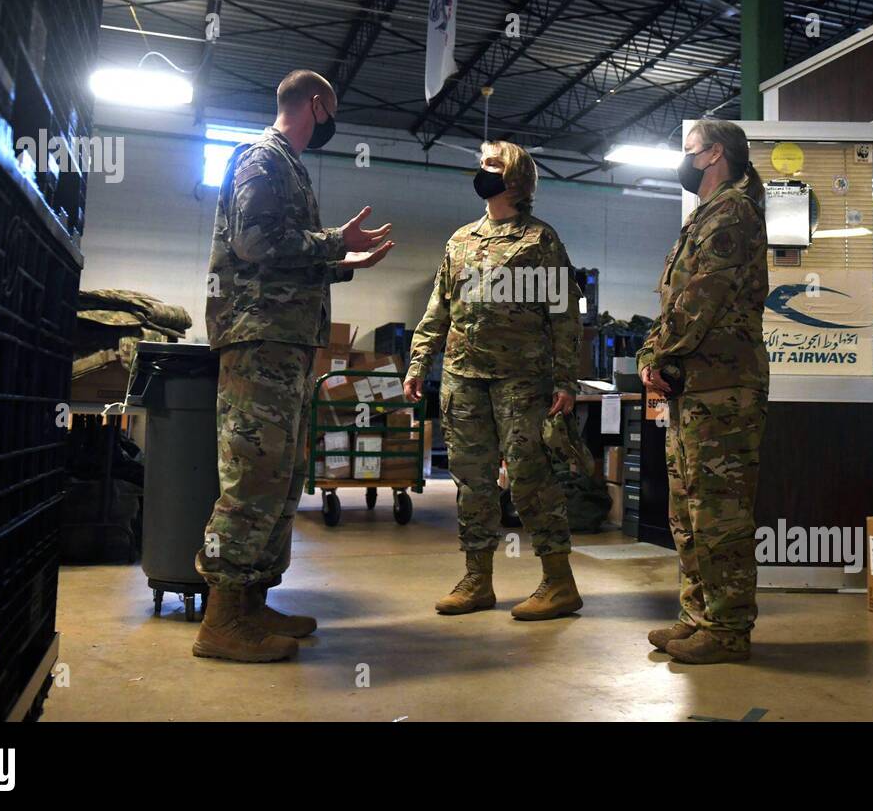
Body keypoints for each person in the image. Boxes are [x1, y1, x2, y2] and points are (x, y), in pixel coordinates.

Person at [194, 70, 394, 662]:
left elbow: (282, 257)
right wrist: (335, 243)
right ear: (315, 104)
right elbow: (256, 243)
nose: (332, 121)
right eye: (331, 110)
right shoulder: (262, 157)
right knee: (252, 477)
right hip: (259, 343)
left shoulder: (286, 164)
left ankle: (251, 603)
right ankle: (222, 620)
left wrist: (342, 259)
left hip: (284, 346)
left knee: (279, 478)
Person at [403, 141, 583, 619]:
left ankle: (559, 581)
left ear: (517, 178)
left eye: (493, 165)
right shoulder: (459, 240)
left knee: (529, 478)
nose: (482, 171)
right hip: (463, 377)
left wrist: (567, 380)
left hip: (522, 380)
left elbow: (564, 314)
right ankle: (477, 579)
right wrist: (419, 361)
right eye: (481, 164)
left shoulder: (538, 241)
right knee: (471, 481)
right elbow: (438, 307)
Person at [637, 119, 769, 665]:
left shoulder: (733, 212)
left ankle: (729, 627)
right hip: (696, 386)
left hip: (724, 388)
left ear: (715, 154)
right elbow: (675, 303)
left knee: (719, 512)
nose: (683, 159)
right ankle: (699, 617)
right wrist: (655, 352)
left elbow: (700, 300)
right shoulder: (705, 216)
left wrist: (658, 353)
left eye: (689, 150)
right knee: (687, 510)